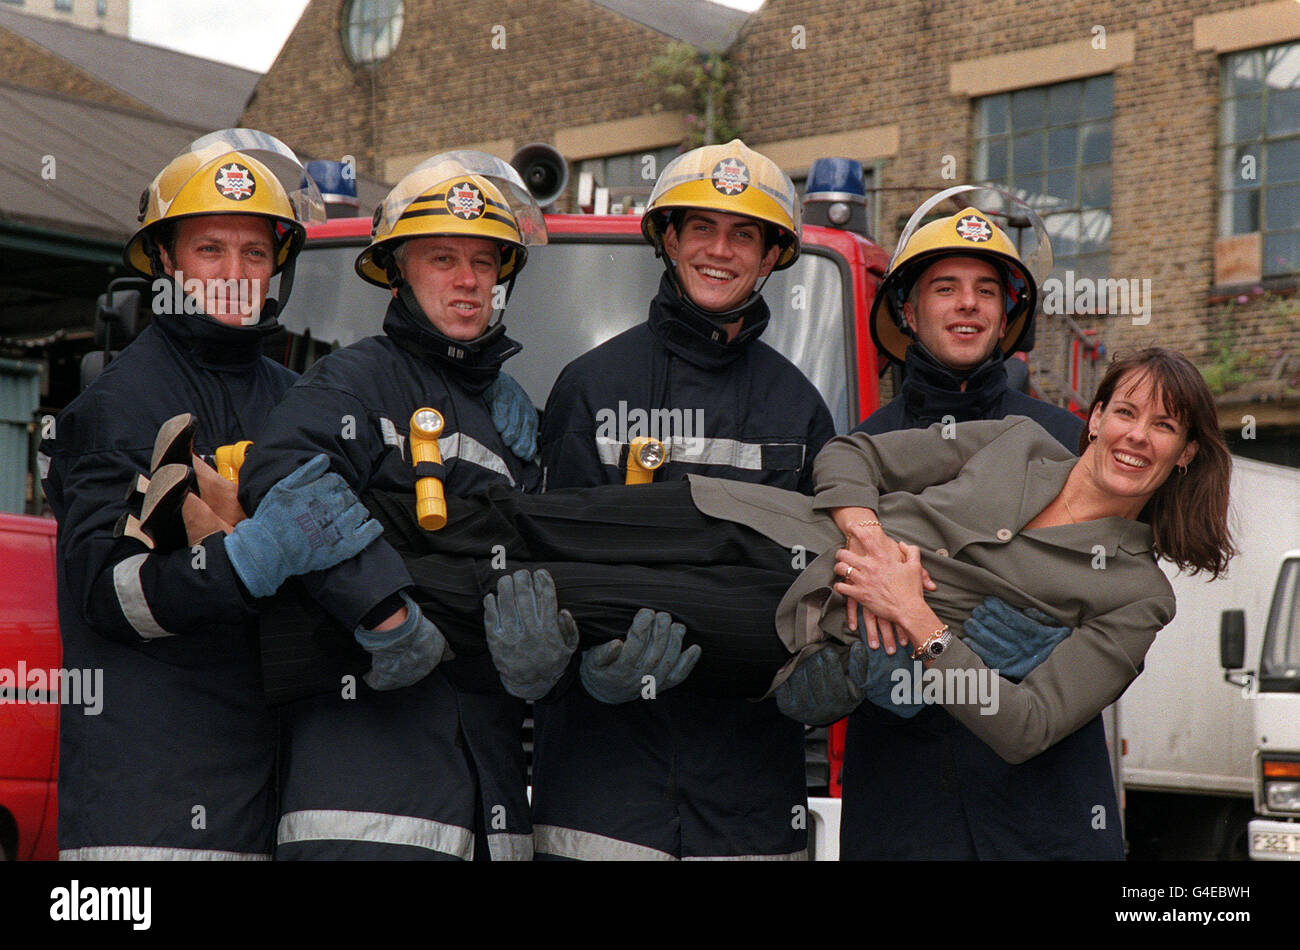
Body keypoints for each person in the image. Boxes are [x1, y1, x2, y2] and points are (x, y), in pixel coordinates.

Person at [347, 349, 1231, 864]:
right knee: (532, 519)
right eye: (1125, 411)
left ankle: (326, 606)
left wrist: (916, 623)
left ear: (1186, 453)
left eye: (1162, 427)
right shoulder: (1016, 439)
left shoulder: (1134, 595)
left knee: (539, 590)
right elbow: (854, 454)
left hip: (787, 618)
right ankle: (323, 514)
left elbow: (1031, 722)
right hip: (754, 519)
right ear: (1097, 414)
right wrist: (867, 533)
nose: (1135, 436)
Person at [38, 129, 382, 860]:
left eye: (254, 252)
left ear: (277, 265)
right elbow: (108, 595)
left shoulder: (301, 401)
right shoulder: (118, 404)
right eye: (210, 250)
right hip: (144, 814)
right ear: (165, 258)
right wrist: (245, 560)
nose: (234, 272)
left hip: (273, 801)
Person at [514, 139, 835, 860]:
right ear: (668, 238)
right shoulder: (593, 387)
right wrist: (584, 662)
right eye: (702, 229)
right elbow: (551, 569)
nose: (720, 251)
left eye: (744, 234)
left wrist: (822, 669)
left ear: (771, 255)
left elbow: (814, 587)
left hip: (749, 798)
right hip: (602, 793)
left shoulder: (800, 410)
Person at [236, 151, 547, 861]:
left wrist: (552, 652)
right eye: (443, 258)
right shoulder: (353, 381)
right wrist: (384, 609)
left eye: (484, 262)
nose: (468, 280)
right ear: (399, 269)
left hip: (489, 799)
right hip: (363, 808)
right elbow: (278, 475)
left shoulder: (511, 420)